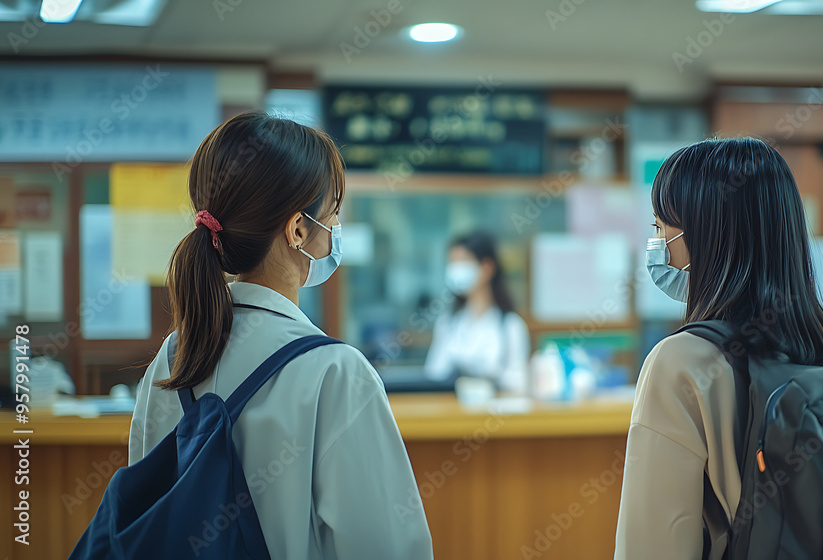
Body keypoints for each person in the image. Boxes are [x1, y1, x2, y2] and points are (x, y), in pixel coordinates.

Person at [129, 111, 433, 560]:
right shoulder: (335, 372)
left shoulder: (172, 358)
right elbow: (387, 547)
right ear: (297, 230)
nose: (334, 232)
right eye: (331, 216)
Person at [614, 137, 823, 559]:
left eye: (660, 227)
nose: (657, 243)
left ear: (705, 236)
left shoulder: (680, 363)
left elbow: (652, 545)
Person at [424, 231, 530, 394]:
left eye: (464, 262)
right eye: (453, 263)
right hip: (451, 414)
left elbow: (518, 383)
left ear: (487, 268)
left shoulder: (510, 325)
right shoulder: (447, 323)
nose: (456, 270)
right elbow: (433, 374)